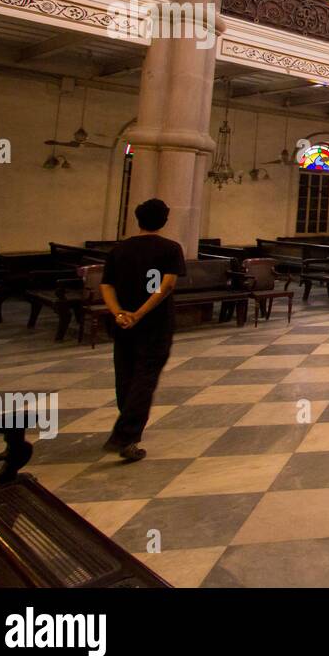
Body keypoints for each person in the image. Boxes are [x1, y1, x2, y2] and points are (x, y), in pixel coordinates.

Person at [99, 198, 186, 462]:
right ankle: (125, 435)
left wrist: (119, 313)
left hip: (124, 323)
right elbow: (167, 286)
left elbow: (107, 285)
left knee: (125, 376)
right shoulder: (170, 248)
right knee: (144, 378)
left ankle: (127, 434)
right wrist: (139, 314)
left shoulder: (119, 249)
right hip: (154, 323)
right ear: (164, 221)